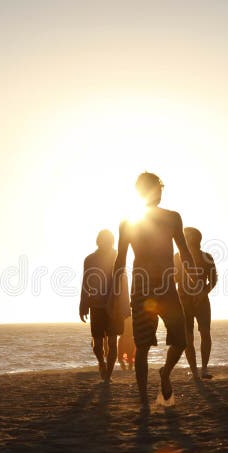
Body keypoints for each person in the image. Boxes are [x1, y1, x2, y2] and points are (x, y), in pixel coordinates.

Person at [112, 172, 196, 404]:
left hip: (167, 288)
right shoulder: (128, 222)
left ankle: (165, 373)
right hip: (141, 290)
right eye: (155, 188)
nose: (158, 192)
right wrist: (114, 292)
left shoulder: (172, 218)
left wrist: (193, 277)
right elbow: (121, 260)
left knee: (181, 340)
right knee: (142, 346)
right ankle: (142, 399)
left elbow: (184, 251)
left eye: (160, 188)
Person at [79, 229, 125, 382]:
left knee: (112, 341)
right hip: (97, 305)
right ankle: (101, 362)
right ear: (99, 240)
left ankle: (108, 375)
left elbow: (123, 280)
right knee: (98, 343)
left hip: (115, 307)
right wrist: (83, 304)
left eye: (109, 239)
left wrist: (126, 305)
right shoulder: (90, 259)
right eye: (103, 239)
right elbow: (85, 283)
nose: (106, 242)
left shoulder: (118, 256)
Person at [174, 227, 218, 379]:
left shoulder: (207, 257)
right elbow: (173, 279)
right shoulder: (177, 257)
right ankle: (194, 371)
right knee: (188, 338)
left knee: (205, 333)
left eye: (187, 237)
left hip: (202, 301)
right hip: (183, 301)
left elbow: (213, 279)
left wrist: (203, 293)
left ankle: (204, 369)